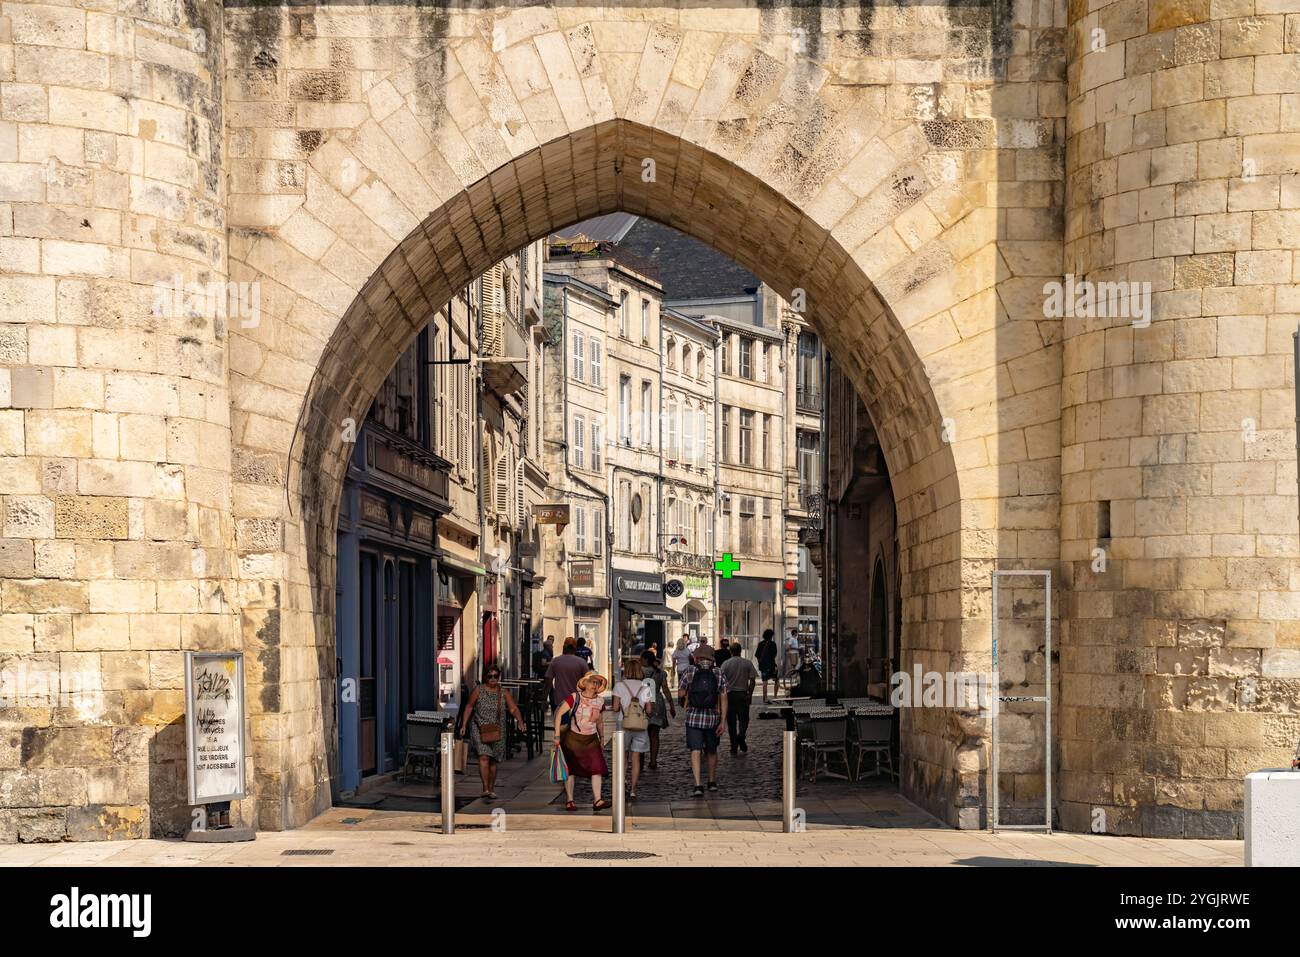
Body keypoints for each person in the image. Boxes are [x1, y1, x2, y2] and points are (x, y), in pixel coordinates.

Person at [457, 665, 525, 801]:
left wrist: (520, 721)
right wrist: (464, 724)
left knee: (493, 760)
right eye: (490, 676)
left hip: (498, 730)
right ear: (485, 677)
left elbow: (513, 708)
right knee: (483, 757)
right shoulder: (478, 690)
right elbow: (469, 706)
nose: (493, 679)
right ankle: (485, 789)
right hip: (479, 728)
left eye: (496, 676)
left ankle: (491, 788)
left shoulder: (503, 692)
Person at [553, 671, 615, 812]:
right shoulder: (575, 697)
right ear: (585, 683)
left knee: (597, 768)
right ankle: (570, 800)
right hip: (573, 739)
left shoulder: (600, 701)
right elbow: (558, 715)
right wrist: (557, 736)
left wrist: (602, 738)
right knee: (571, 770)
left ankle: (598, 800)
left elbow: (599, 721)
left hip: (591, 739)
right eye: (592, 681)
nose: (595, 685)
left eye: (597, 683)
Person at [677, 644, 729, 797]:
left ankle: (698, 784)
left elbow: (680, 693)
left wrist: (689, 691)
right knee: (712, 750)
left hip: (693, 718)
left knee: (695, 750)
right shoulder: (718, 673)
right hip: (712, 719)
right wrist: (722, 721)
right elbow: (724, 699)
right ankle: (712, 781)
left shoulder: (690, 671)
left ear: (697, 657)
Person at [613, 657, 655, 801]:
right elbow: (649, 710)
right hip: (639, 725)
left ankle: (623, 782)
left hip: (622, 723)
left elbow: (615, 708)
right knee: (636, 758)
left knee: (623, 756)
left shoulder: (619, 686)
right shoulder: (646, 687)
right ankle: (633, 789)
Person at [640, 649, 676, 770]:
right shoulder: (660, 673)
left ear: (645, 659)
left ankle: (639, 762)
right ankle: (653, 761)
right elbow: (665, 689)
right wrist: (671, 705)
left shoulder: (639, 672)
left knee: (641, 734)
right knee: (654, 735)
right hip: (657, 703)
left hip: (642, 703)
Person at [719, 646, 758, 754]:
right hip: (743, 694)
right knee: (744, 719)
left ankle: (734, 746)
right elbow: (753, 680)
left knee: (731, 722)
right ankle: (741, 735)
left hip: (729, 695)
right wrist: (750, 694)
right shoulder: (747, 663)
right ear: (740, 651)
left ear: (731, 652)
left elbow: (720, 681)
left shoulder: (725, 664)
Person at [542, 637, 588, 712]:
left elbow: (548, 681)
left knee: (560, 723)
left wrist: (544, 699)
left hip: (560, 701)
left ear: (564, 647)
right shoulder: (582, 662)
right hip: (577, 701)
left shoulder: (555, 661)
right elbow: (588, 682)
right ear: (575, 648)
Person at [755, 628, 779, 702]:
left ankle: (764, 698)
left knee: (765, 681)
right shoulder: (773, 644)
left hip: (763, 666)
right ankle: (775, 697)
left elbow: (757, 655)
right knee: (776, 680)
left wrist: (760, 663)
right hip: (771, 665)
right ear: (771, 636)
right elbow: (774, 655)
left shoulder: (760, 644)